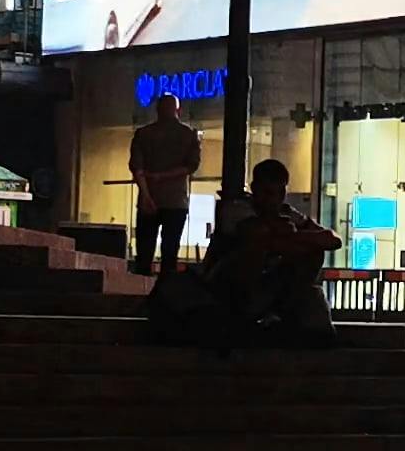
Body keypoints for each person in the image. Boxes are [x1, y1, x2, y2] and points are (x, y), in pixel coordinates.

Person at [156, 158, 339, 348]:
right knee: (257, 249)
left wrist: (293, 235)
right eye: (268, 192)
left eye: (280, 192)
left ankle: (279, 310)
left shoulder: (287, 214)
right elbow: (258, 235)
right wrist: (293, 236)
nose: (274, 199)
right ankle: (244, 312)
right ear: (255, 189)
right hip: (224, 288)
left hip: (265, 287)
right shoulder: (237, 209)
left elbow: (332, 240)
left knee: (312, 253)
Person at [126, 91, 203, 274]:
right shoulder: (188, 135)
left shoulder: (143, 134)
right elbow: (192, 166)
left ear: (157, 109)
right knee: (170, 251)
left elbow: (137, 168)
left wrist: (146, 195)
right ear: (178, 110)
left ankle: (141, 290)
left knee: (144, 252)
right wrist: (166, 176)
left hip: (148, 198)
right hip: (176, 200)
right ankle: (167, 292)